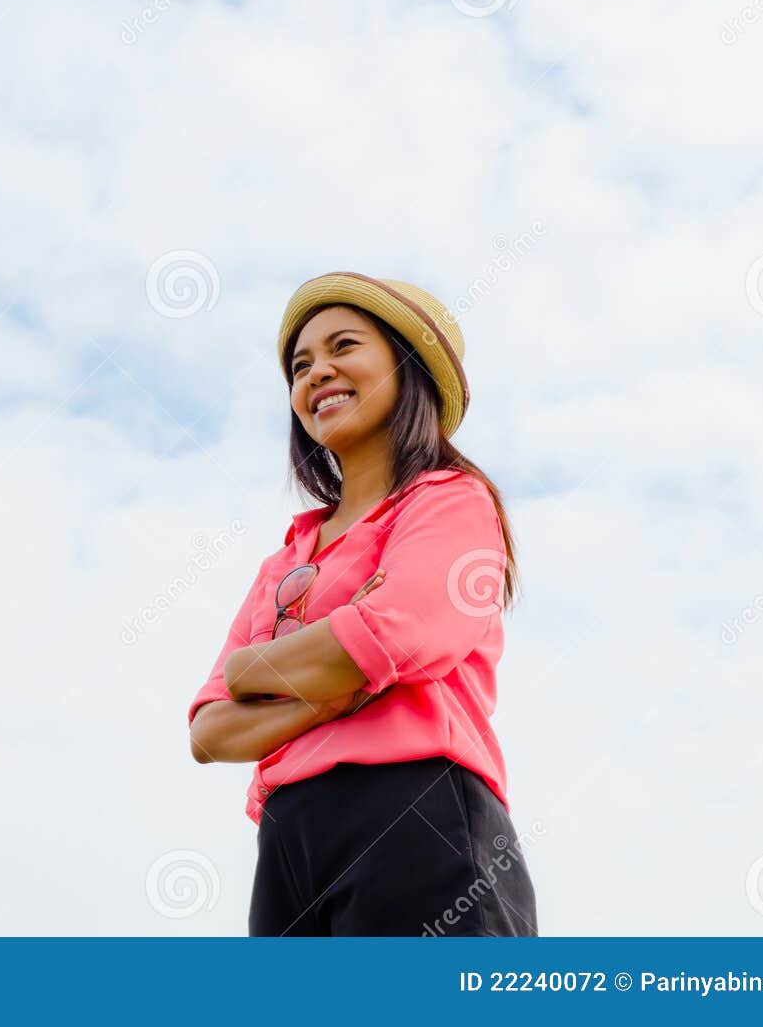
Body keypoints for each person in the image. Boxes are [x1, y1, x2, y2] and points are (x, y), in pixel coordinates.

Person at [186, 272, 538, 937]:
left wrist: (261, 675)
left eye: (343, 346)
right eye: (300, 365)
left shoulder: (449, 501)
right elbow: (210, 728)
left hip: (418, 810)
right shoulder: (286, 559)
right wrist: (334, 684)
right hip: (289, 841)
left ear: (411, 367)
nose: (317, 372)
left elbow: (399, 630)